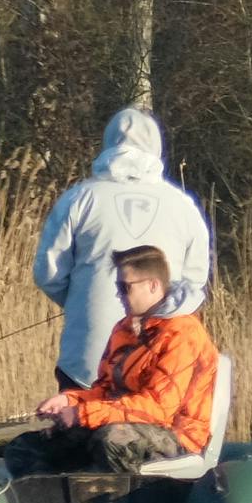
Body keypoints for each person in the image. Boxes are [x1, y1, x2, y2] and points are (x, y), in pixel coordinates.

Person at [34, 106, 214, 392]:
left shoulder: (79, 199)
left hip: (84, 363)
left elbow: (48, 273)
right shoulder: (184, 206)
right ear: (157, 148)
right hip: (158, 365)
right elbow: (193, 285)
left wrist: (82, 301)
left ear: (107, 143)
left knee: (79, 433)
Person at [23, 244, 221, 471]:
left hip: (178, 435)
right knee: (28, 449)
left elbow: (158, 409)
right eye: (117, 286)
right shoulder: (125, 328)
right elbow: (106, 390)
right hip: (126, 422)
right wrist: (70, 401)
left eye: (124, 287)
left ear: (153, 286)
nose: (118, 294)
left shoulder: (183, 334)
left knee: (111, 442)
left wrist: (82, 414)